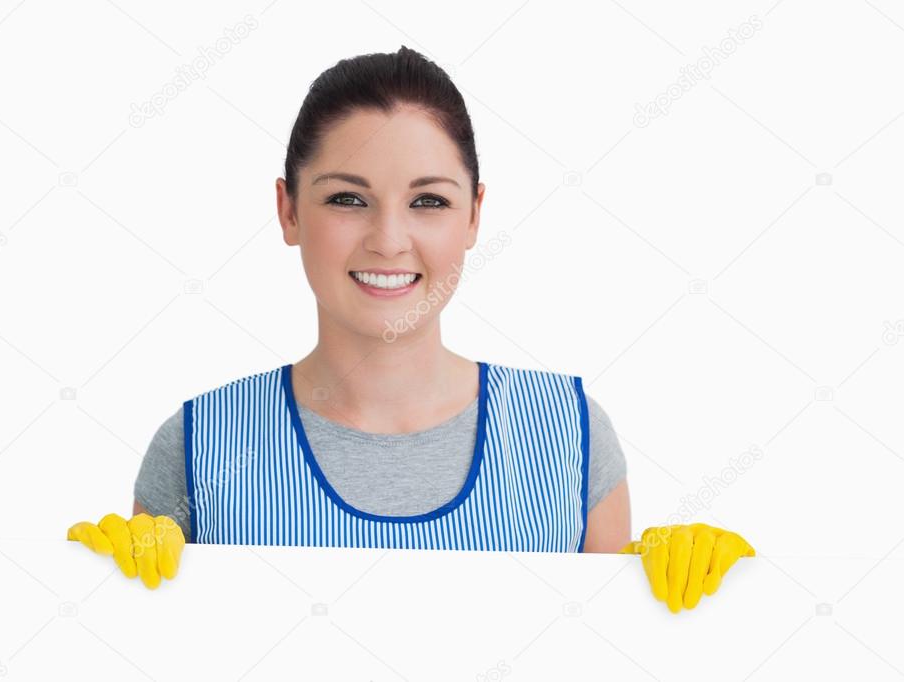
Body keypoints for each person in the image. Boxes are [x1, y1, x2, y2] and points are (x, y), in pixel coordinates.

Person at [68, 46, 754, 613]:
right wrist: (94, 595)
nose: (389, 239)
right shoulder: (197, 448)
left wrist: (697, 612)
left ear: (474, 215)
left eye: (428, 200)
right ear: (288, 211)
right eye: (347, 198)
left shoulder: (571, 438)